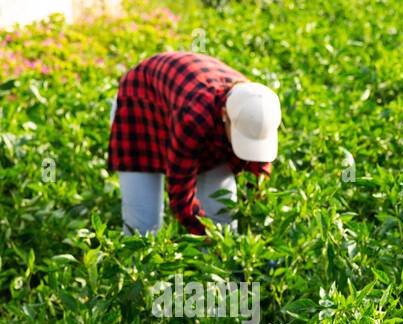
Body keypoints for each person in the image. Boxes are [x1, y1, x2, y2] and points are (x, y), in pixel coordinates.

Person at [108, 51, 280, 235]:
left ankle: (221, 259)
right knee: (143, 227)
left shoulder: (257, 105)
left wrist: (256, 205)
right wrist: (206, 234)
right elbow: (181, 198)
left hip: (181, 103)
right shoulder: (194, 117)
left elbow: (259, 164)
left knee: (223, 218)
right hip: (140, 105)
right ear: (225, 116)